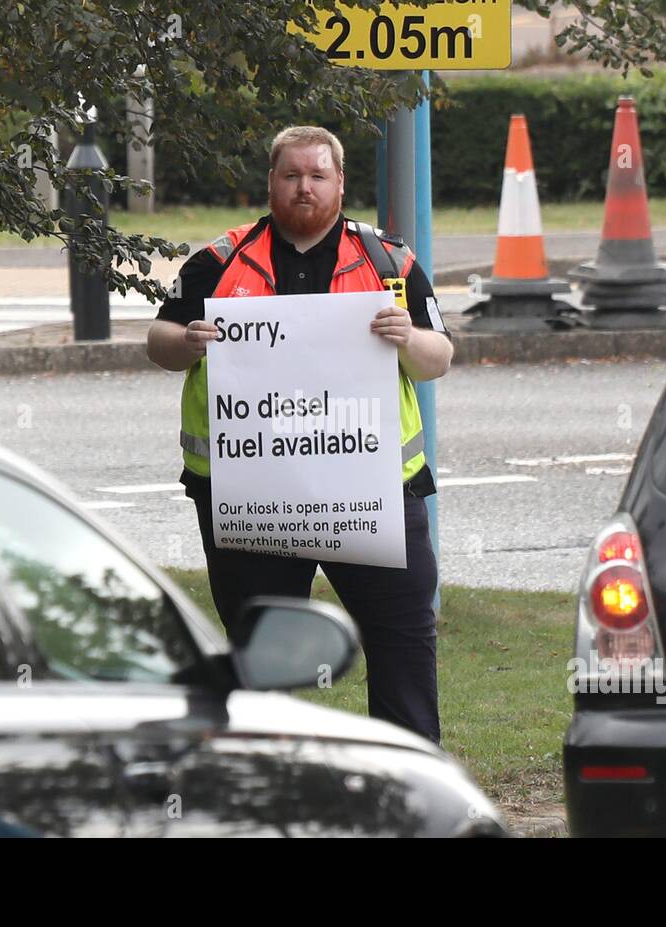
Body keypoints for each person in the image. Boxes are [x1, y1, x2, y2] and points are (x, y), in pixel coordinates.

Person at [146, 125, 453, 743]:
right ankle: (270, 780)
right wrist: (188, 340)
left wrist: (407, 337)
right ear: (271, 183)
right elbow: (159, 343)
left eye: (318, 175)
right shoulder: (217, 262)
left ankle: (412, 779)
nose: (304, 187)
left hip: (372, 495)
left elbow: (438, 357)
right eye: (292, 175)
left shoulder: (390, 263)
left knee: (401, 641)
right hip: (251, 493)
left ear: (340, 183)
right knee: (261, 648)